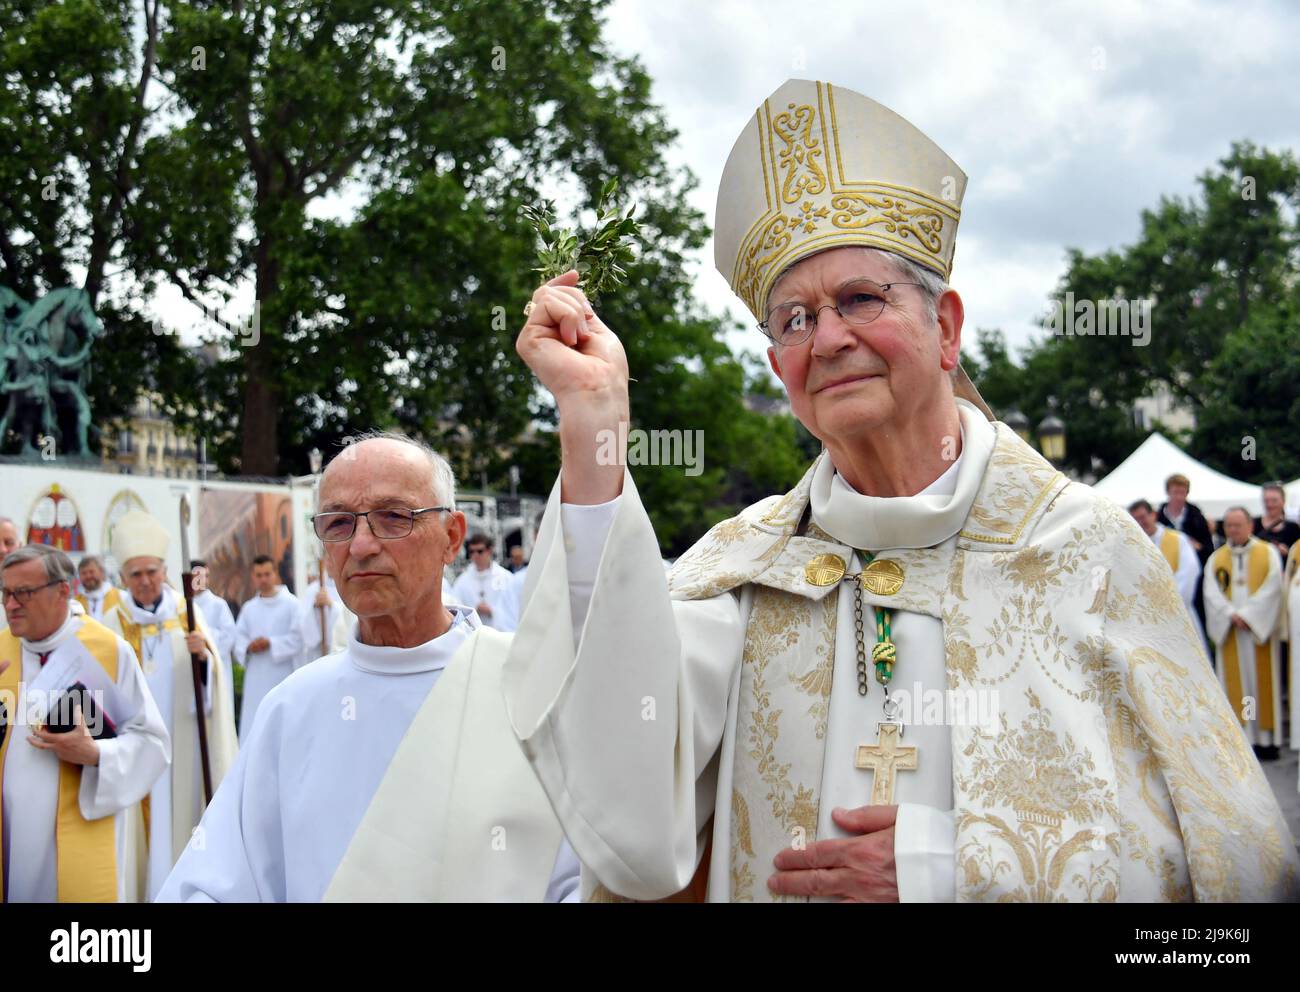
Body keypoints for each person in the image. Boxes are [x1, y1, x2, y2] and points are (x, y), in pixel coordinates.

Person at [506, 78, 1299, 902]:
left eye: (859, 299)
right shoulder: (743, 571)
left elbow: (1238, 864)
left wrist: (955, 872)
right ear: (780, 367)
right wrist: (594, 425)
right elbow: (627, 821)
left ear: (947, 327)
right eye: (795, 321)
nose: (831, 338)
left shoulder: (1086, 551)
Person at [159, 433, 578, 902]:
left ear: (452, 537)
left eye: (393, 517)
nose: (360, 546)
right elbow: (216, 883)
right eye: (338, 523)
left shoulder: (525, 686)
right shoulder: (293, 707)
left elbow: (580, 880)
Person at [0, 545, 167, 901]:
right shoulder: (2, 652)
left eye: (23, 593)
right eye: (5, 593)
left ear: (63, 590)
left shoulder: (106, 650)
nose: (10, 604)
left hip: (83, 830)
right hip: (10, 836)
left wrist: (96, 754)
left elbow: (152, 744)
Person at [99, 510, 237, 899]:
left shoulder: (187, 616)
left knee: (179, 820)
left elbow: (213, 687)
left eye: (152, 572)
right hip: (133, 748)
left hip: (181, 749)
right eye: (136, 574)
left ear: (163, 572)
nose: (145, 582)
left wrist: (204, 659)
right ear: (123, 579)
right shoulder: (112, 622)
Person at [1204, 507, 1286, 760]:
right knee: (1238, 687)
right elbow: (1211, 593)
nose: (1233, 530)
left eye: (1238, 525)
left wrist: (1249, 615)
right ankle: (1243, 739)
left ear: (1250, 525)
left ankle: (1265, 740)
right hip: (1232, 633)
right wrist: (1230, 615)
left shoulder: (1267, 553)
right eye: (1228, 525)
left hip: (1257, 632)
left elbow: (1274, 586)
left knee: (1259, 685)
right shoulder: (1216, 558)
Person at [233, 555, 304, 736]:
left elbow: (299, 638)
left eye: (267, 574)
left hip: (283, 673)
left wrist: (271, 643)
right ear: (253, 577)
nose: (263, 579)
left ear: (275, 575)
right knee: (255, 723)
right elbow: (238, 638)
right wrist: (249, 647)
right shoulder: (249, 608)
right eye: (259, 575)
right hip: (256, 677)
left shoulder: (292, 605)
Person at [1127, 499, 1205, 645]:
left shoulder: (1178, 539)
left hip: (1179, 612)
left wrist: (1167, 604)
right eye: (1136, 520)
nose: (1141, 523)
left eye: (1143, 517)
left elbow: (1190, 571)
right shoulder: (1132, 547)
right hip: (1149, 620)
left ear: (1154, 515)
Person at [450, 533, 515, 630]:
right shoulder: (462, 581)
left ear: (489, 551)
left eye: (480, 551)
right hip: (473, 636)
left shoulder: (506, 577)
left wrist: (492, 611)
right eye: (472, 552)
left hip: (500, 633)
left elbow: (514, 608)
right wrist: (474, 609)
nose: (475, 555)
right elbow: (454, 609)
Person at [297, 561, 352, 665]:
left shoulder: (350, 586)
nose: (332, 563)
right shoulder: (312, 590)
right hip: (317, 654)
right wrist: (315, 608)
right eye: (329, 559)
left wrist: (331, 605)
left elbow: (351, 618)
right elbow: (302, 623)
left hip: (342, 652)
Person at [190, 559, 236, 668]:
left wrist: (203, 637)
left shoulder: (219, 605)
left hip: (214, 665)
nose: (203, 580)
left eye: (206, 576)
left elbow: (229, 637)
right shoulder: (180, 605)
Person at [1255, 482, 1300, 561]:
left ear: (1283, 501)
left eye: (1274, 500)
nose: (1270, 504)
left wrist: (1288, 552)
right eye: (1266, 500)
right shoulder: (1253, 524)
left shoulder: (1293, 528)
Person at [74, 554, 123, 620]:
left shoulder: (121, 596)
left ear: (101, 572)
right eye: (83, 573)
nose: (88, 576)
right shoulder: (75, 603)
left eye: (91, 572)